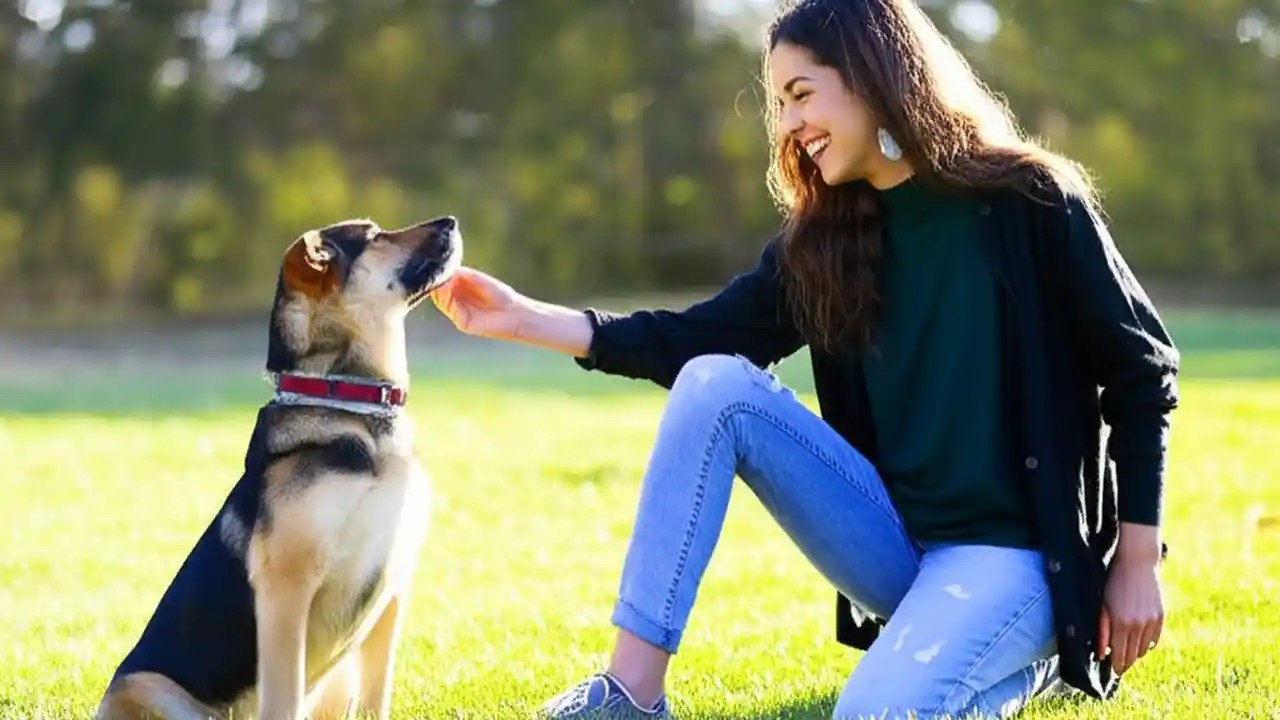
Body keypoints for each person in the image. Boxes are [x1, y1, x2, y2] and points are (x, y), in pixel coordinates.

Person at [430, 0, 1179, 717]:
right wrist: (527, 320)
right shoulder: (824, 241)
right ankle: (631, 695)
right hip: (894, 543)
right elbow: (696, 341)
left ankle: (1041, 653)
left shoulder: (1031, 201)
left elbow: (1142, 372)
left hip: (1014, 557)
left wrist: (1137, 563)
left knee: (874, 714)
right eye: (779, 104)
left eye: (800, 95)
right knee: (715, 384)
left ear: (872, 72)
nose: (788, 125)